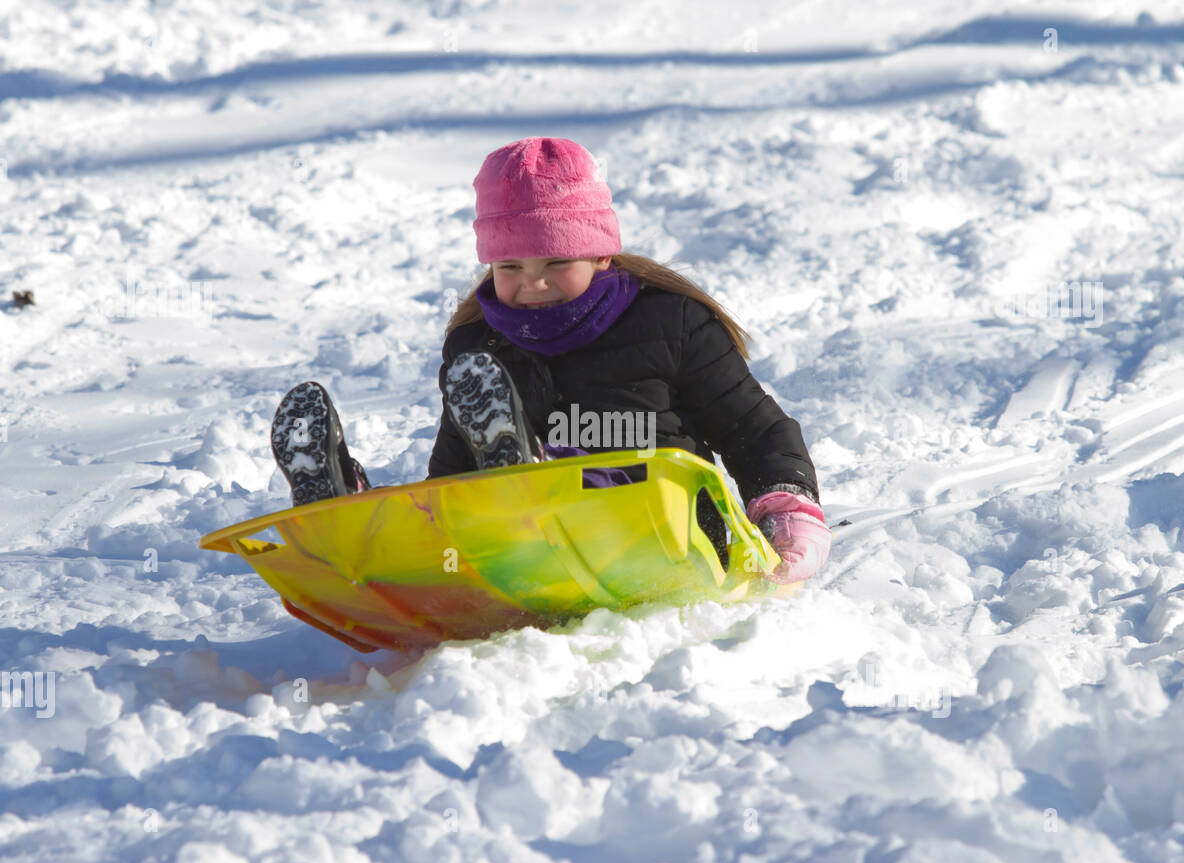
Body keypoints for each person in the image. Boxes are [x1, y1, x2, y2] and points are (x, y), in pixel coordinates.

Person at [271, 137, 830, 583]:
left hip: (669, 535)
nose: (531, 284)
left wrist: (790, 513)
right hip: (525, 549)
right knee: (467, 507)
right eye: (509, 266)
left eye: (556, 260)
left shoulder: (671, 323)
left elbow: (755, 432)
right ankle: (354, 518)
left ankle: (531, 480)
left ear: (601, 252)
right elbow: (454, 472)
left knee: (569, 492)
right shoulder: (479, 344)